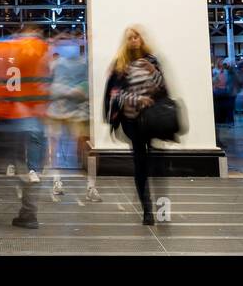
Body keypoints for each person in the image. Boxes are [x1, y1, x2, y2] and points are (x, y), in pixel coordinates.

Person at [0, 22, 50, 228]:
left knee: (21, 164)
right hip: (35, 120)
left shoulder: (7, 51)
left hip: (13, 121)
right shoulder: (41, 53)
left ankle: (27, 211)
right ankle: (29, 214)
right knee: (34, 170)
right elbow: (45, 86)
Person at [104, 25, 167, 225]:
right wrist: (137, 99)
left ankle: (160, 208)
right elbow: (115, 94)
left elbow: (162, 87)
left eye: (136, 36)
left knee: (155, 164)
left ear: (141, 39)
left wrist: (154, 72)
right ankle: (147, 210)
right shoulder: (120, 65)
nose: (133, 40)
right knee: (140, 164)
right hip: (133, 121)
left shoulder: (152, 61)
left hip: (154, 119)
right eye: (129, 37)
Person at [46, 38, 100, 202]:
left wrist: (78, 91)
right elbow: (50, 86)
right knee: (54, 144)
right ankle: (57, 181)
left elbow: (88, 84)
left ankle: (91, 186)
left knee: (86, 145)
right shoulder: (56, 64)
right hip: (58, 110)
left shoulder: (83, 64)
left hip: (77, 111)